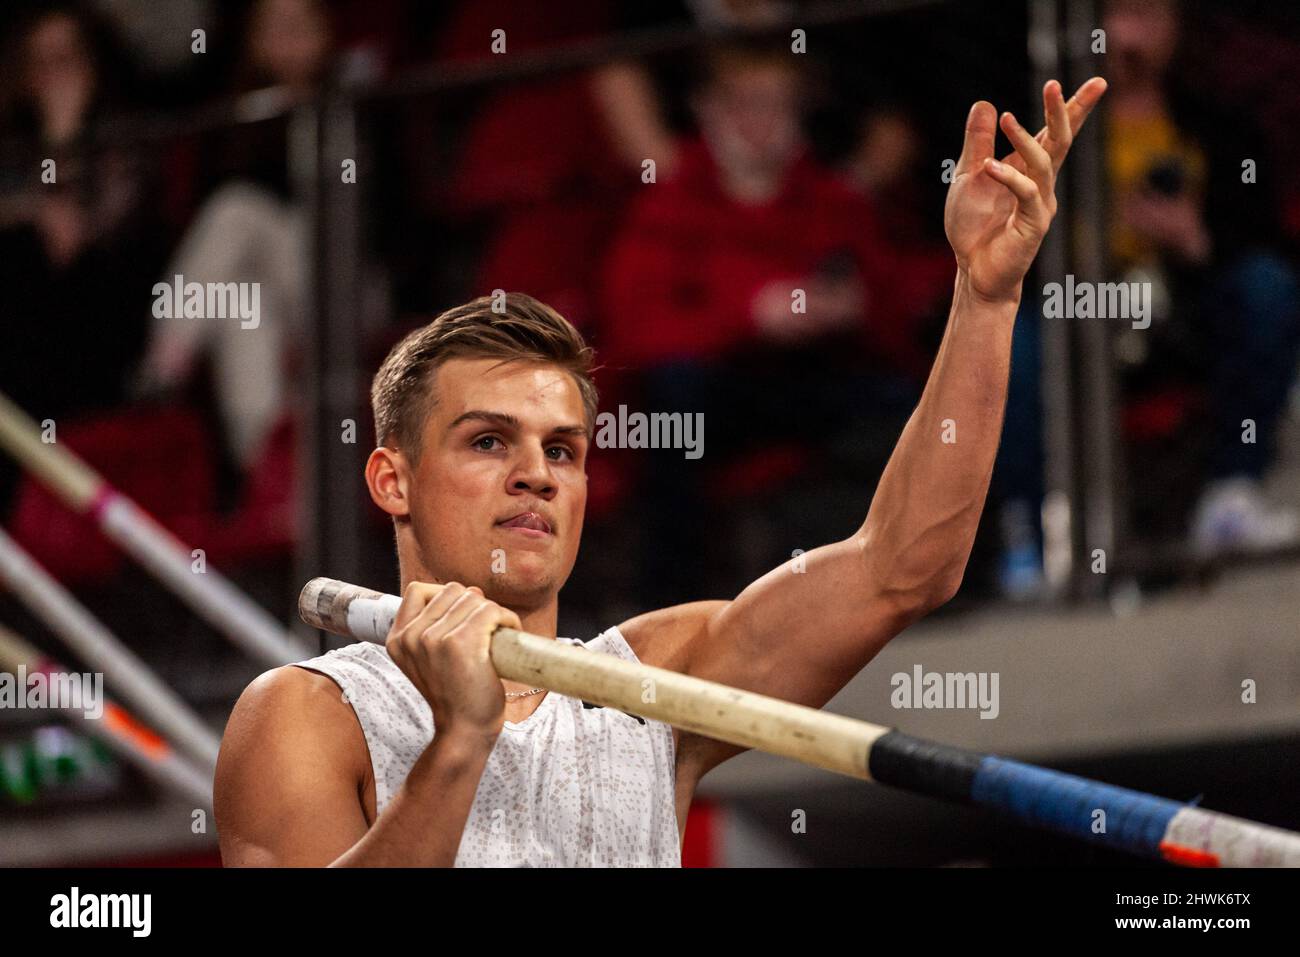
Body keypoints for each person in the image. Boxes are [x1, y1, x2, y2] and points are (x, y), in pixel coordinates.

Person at [212, 77, 1108, 866]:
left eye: (561, 449)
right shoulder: (304, 712)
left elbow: (903, 568)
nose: (536, 474)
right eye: (488, 441)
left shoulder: (648, 684)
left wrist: (984, 296)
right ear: (391, 480)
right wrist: (459, 743)